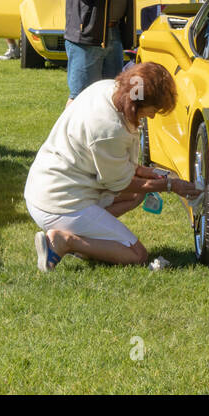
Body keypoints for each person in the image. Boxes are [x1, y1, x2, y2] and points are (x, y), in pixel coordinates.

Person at [26, 63, 190, 270]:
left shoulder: (106, 88)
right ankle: (65, 241)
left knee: (136, 195)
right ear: (136, 104)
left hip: (46, 185)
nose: (153, 116)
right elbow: (119, 184)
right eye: (153, 109)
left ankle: (88, 241)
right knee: (137, 255)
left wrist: (148, 172)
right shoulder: (109, 130)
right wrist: (170, 186)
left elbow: (115, 166)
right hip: (60, 203)